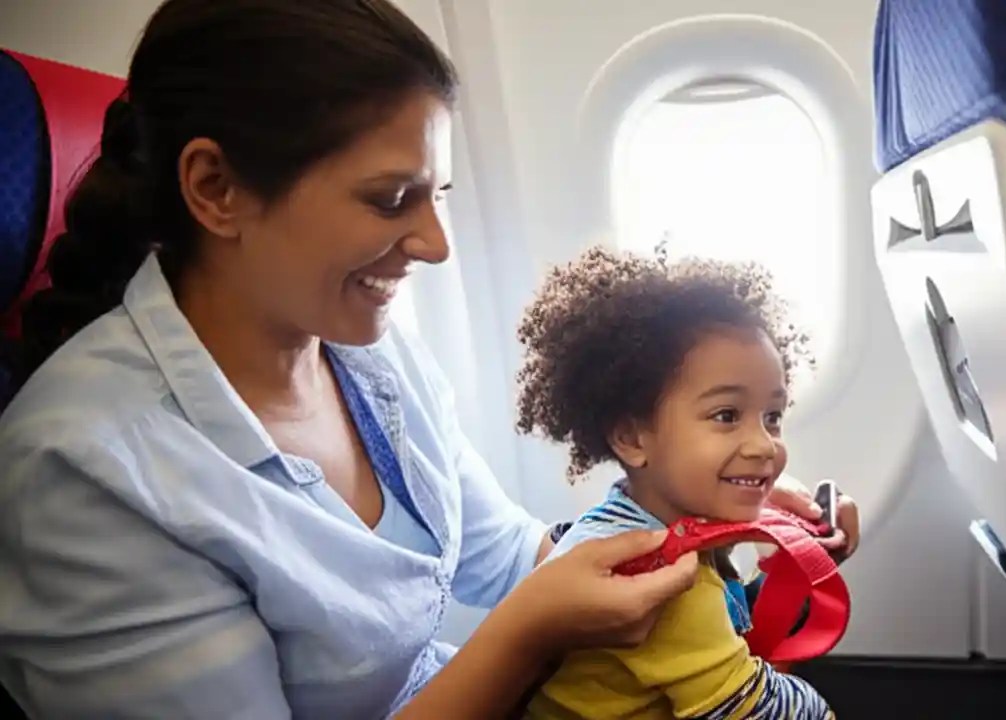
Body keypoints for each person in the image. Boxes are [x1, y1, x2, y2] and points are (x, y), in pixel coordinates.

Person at [0, 1, 859, 718]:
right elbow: (528, 603)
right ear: (216, 189)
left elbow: (513, 559)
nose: (436, 244)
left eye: (436, 194)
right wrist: (526, 632)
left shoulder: (370, 359)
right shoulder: (86, 471)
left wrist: (713, 517)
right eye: (389, 199)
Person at [516, 246, 842, 718]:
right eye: (727, 415)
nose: (765, 445)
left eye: (772, 417)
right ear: (632, 437)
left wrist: (790, 573)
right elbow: (755, 709)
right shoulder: (659, 575)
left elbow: (728, 621)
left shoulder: (644, 519)